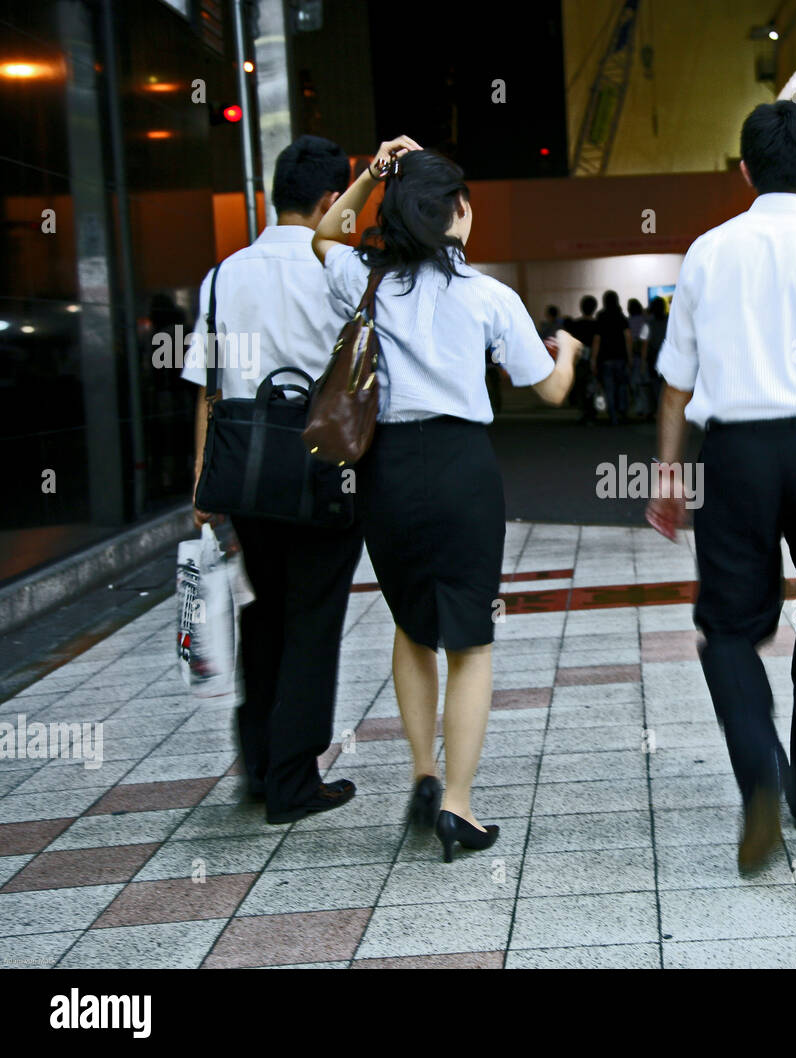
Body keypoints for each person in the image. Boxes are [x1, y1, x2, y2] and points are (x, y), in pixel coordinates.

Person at [312, 137, 579, 862]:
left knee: (411, 624)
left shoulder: (365, 282)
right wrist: (572, 353)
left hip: (387, 469)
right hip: (462, 468)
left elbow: (325, 233)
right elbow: (550, 389)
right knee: (470, 638)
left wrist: (372, 171)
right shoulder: (490, 296)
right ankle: (457, 806)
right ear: (458, 212)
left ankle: (424, 774)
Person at [648, 101, 796, 874]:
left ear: (744, 169)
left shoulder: (707, 253)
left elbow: (677, 381)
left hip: (735, 455)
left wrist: (669, 468)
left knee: (728, 628)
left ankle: (761, 778)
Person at [185, 135, 363, 825]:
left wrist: (201, 485)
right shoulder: (340, 269)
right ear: (328, 201)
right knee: (314, 621)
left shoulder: (224, 275)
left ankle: (258, 762)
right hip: (321, 469)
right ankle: (295, 779)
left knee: (264, 613)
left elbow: (205, 388)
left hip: (247, 471)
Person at [592, 290, 631, 425]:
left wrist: (594, 359)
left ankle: (613, 416)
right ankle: (623, 412)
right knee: (621, 386)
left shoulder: (601, 317)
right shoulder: (621, 317)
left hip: (605, 358)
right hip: (620, 357)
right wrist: (630, 357)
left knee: (609, 387)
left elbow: (597, 339)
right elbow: (628, 338)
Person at [566, 295, 600, 424]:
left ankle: (583, 412)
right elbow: (597, 342)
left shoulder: (575, 324)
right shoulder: (597, 324)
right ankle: (592, 413)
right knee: (591, 388)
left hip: (579, 360)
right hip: (592, 359)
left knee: (580, 387)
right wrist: (594, 360)